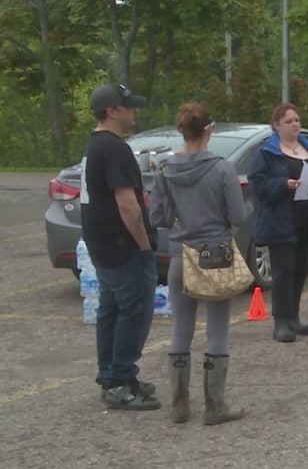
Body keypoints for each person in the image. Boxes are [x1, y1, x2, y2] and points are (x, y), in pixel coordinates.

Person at [149, 102, 248, 424]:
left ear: (182, 131)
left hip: (180, 256)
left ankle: (179, 405)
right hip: (215, 256)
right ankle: (215, 406)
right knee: (217, 331)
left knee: (181, 330)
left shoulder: (165, 169)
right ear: (209, 130)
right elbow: (238, 215)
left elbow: (159, 217)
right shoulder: (222, 168)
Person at [80, 83, 160, 410]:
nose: (134, 111)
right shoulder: (115, 149)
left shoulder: (94, 145)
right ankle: (120, 380)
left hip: (102, 246)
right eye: (129, 107)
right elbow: (127, 203)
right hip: (123, 246)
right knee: (133, 312)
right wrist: (143, 244)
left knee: (110, 311)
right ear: (112, 111)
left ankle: (112, 375)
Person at [249, 103, 308, 343]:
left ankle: (294, 317)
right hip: (281, 222)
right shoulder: (265, 152)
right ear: (277, 125)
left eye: (297, 120)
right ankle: (281, 322)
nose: (296, 124)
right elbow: (258, 185)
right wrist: (283, 185)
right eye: (289, 121)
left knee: (300, 271)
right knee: (283, 273)